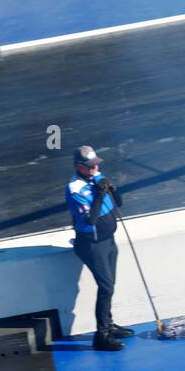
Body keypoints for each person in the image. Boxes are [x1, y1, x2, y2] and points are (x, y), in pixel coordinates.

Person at [65, 145, 134, 351]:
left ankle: (109, 325)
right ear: (80, 166)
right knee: (106, 287)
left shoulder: (96, 177)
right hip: (92, 245)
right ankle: (101, 335)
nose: (95, 167)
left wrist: (111, 188)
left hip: (108, 240)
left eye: (96, 164)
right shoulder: (75, 189)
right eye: (91, 165)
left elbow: (118, 204)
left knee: (110, 285)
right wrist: (99, 194)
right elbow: (91, 219)